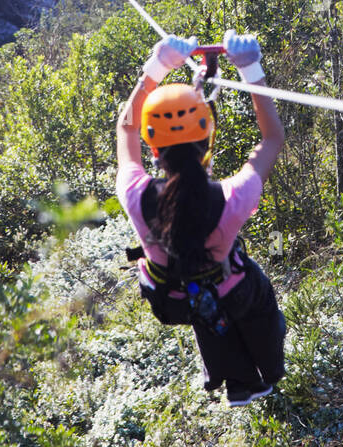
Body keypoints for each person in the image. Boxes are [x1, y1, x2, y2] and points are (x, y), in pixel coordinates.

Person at [115, 29, 286, 407]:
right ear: (206, 135)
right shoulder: (232, 198)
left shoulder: (136, 195)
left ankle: (237, 380)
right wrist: (251, 70)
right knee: (252, 288)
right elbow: (272, 138)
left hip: (171, 300)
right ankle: (265, 372)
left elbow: (125, 127)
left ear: (153, 144)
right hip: (232, 294)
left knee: (201, 295)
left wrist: (155, 68)